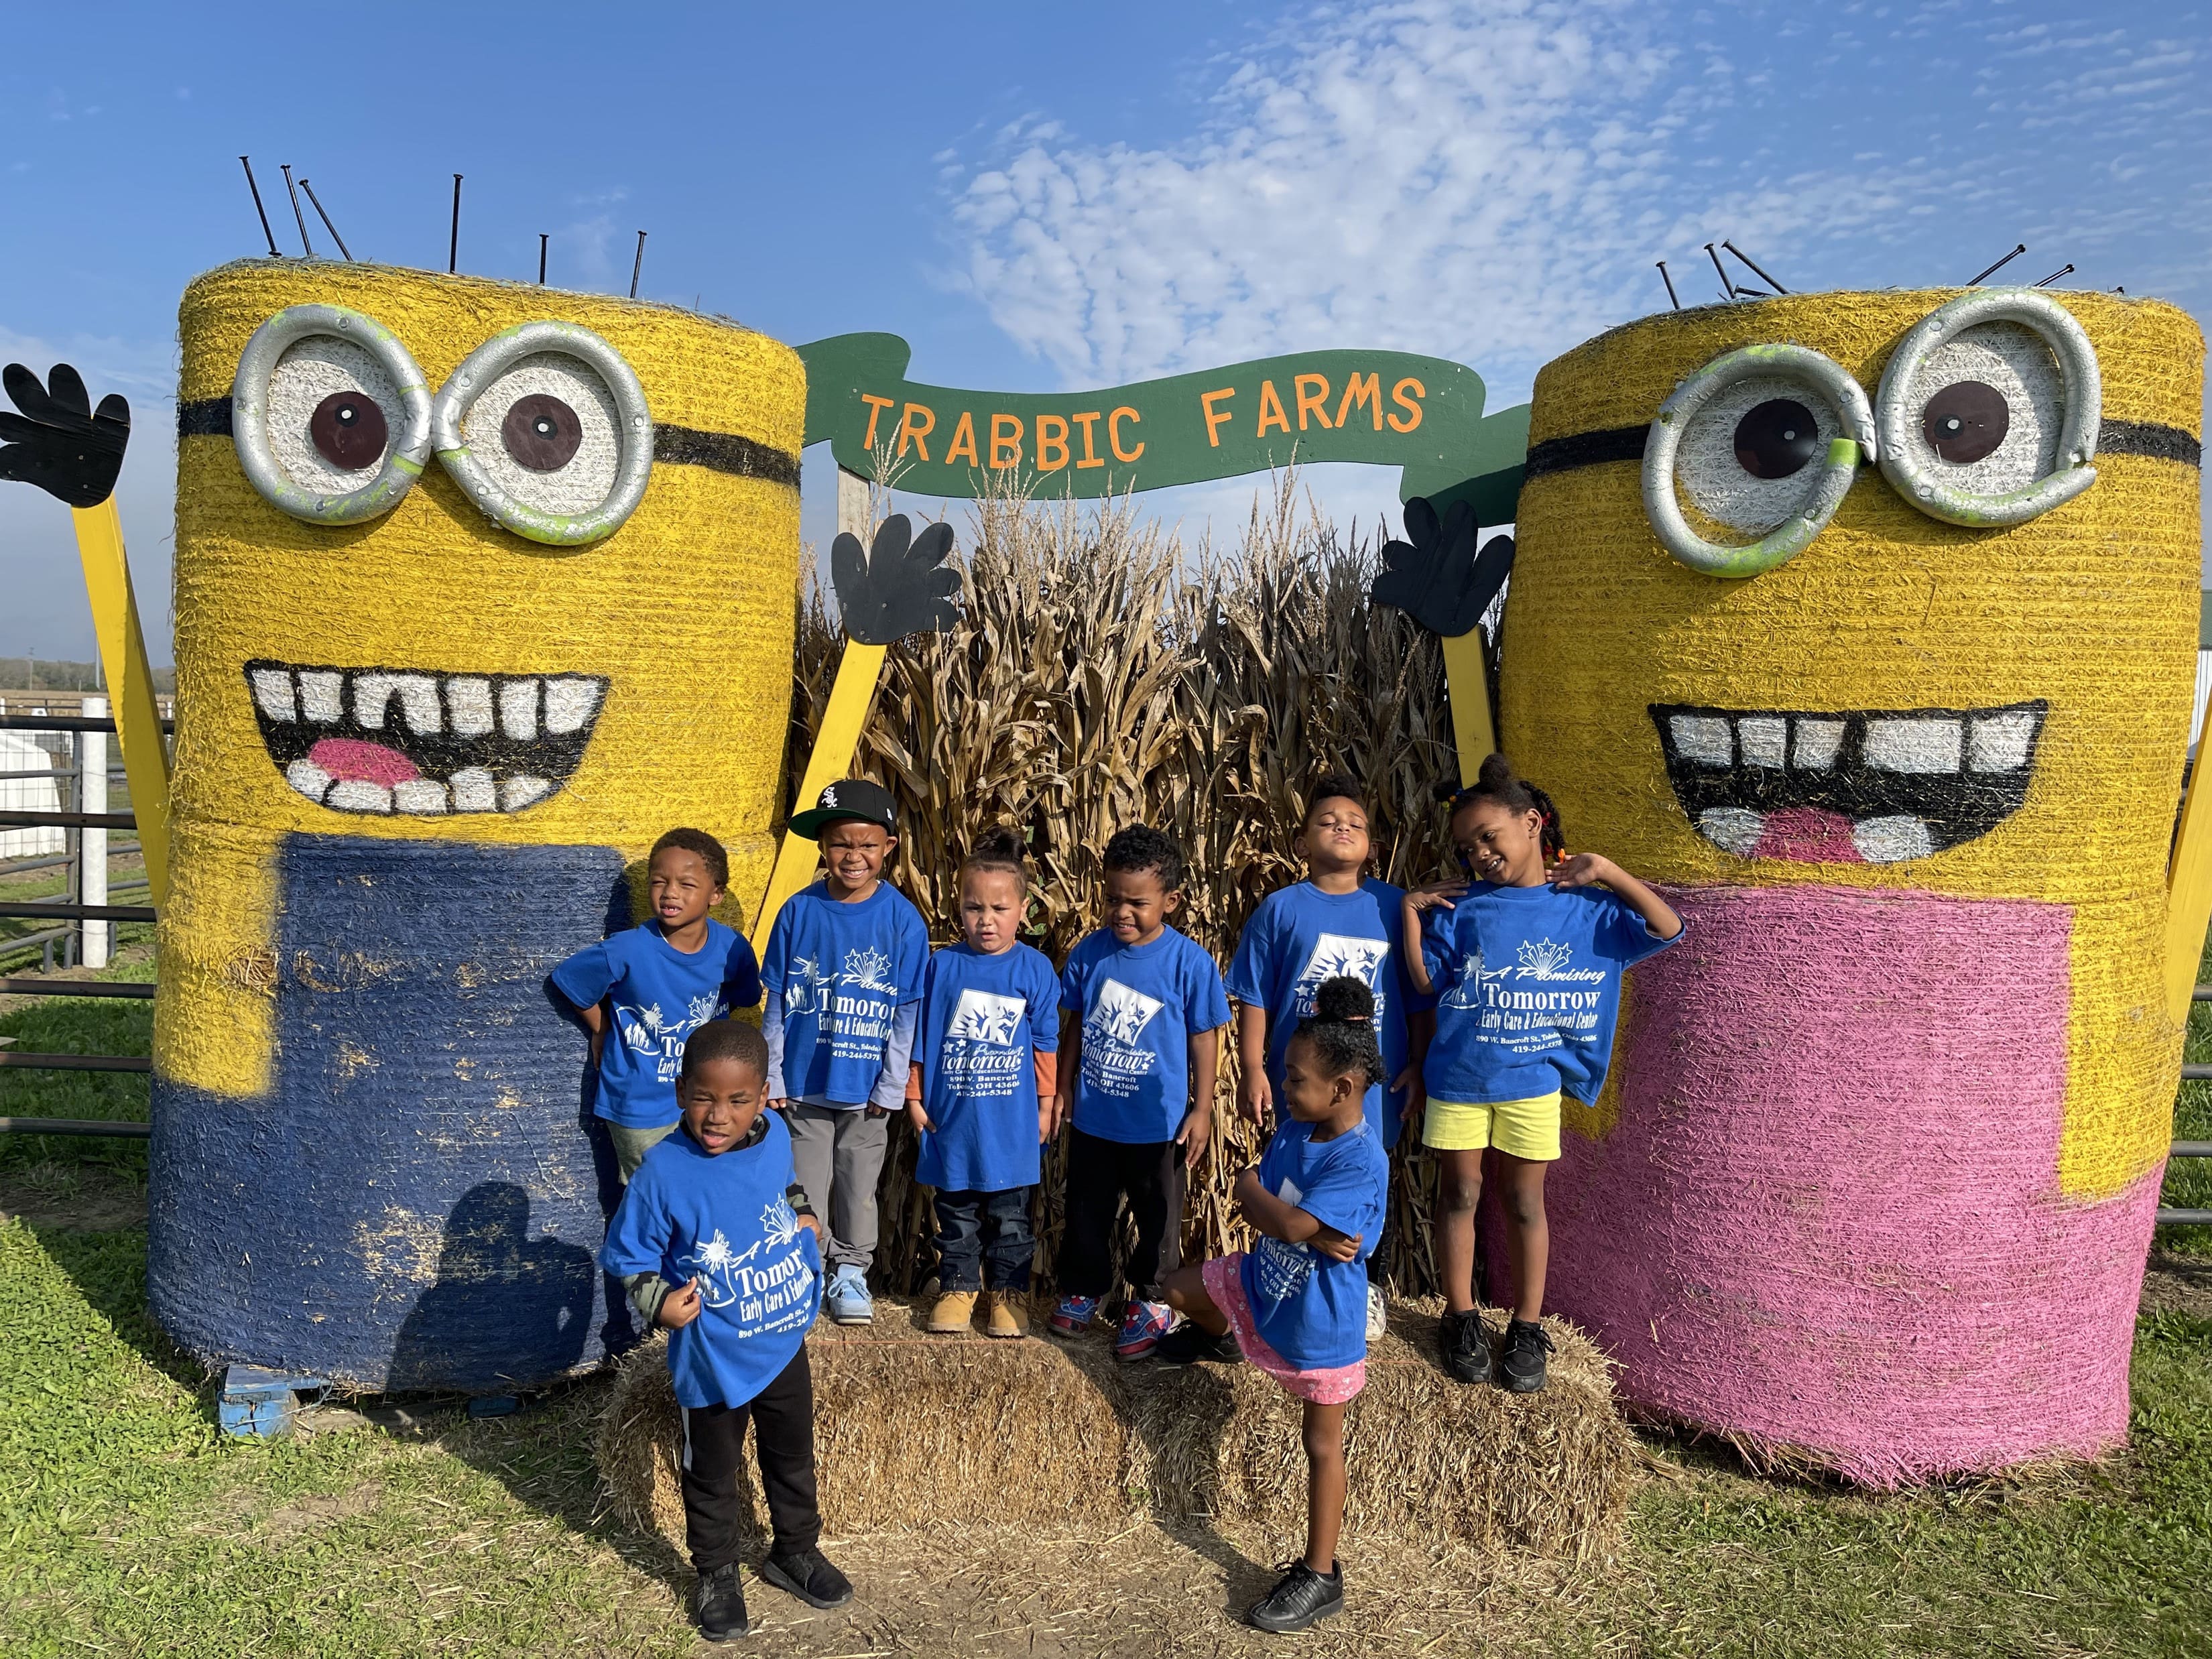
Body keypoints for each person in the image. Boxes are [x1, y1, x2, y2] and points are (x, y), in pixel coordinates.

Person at [1402, 752, 1682, 1392]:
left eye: (1488, 836)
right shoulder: (1461, 909)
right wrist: (1412, 914)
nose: (1478, 853)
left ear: (1532, 823)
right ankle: (1461, 1316)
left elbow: (1667, 927)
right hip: (1460, 1079)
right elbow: (1424, 985)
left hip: (1533, 1083)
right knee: (1460, 1195)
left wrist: (1607, 871)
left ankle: (1527, 1326)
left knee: (1526, 1201)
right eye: (1467, 845)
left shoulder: (1583, 909)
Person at [599, 1019, 852, 1642]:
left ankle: (794, 1550)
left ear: (764, 1096)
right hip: (713, 1357)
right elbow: (628, 1254)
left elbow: (784, 1183)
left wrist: (804, 1213)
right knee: (711, 1470)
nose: (719, 1115)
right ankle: (715, 1571)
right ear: (682, 1089)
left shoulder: (772, 1137)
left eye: (738, 1100)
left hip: (781, 1339)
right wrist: (659, 1303)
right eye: (705, 1097)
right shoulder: (663, 1171)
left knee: (791, 1454)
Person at [1153, 977, 1388, 1634]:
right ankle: (1221, 1336)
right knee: (1177, 1287)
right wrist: (1263, 1197)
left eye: (1294, 1080)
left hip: (1319, 1323)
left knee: (1321, 1445)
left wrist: (1260, 1197)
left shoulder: (1361, 1161)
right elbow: (1266, 1203)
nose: (1283, 1090)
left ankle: (1319, 1574)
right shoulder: (1298, 1127)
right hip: (1263, 1284)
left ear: (1341, 1089)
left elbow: (1280, 1221)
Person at [1226, 771, 1431, 1342]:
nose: (1342, 827)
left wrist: (1416, 1062)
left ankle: (1367, 1288)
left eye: (1355, 823)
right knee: (1296, 1171)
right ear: (1300, 843)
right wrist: (1250, 1070)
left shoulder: (1394, 907)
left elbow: (1417, 996)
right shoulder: (1280, 910)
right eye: (1327, 821)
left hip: (1370, 1090)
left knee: (1367, 1185)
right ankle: (1285, 1284)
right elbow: (1255, 997)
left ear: (1371, 845)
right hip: (1302, 1085)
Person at [1048, 824, 1231, 1360]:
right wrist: (1062, 1088)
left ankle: (1150, 1299)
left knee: (1158, 1218)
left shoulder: (1189, 963)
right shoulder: (1092, 954)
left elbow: (1205, 1036)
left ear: (1170, 901)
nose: (1121, 912)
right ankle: (1082, 1288)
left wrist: (1201, 1107)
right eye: (1111, 899)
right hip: (1095, 1121)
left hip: (1160, 1126)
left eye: (1137, 902)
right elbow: (1075, 1026)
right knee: (1086, 1211)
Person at [760, 779, 928, 1326]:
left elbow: (906, 1011)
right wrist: (774, 1073)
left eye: (866, 844)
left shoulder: (904, 921)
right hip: (805, 1086)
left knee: (858, 1186)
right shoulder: (798, 912)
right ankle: (805, 1273)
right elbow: (779, 1001)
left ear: (889, 847)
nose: (853, 856)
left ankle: (851, 1270)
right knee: (805, 1186)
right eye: (840, 843)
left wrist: (891, 1083)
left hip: (867, 1092)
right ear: (822, 847)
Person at [906, 826, 1060, 1338]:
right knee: (956, 1213)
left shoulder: (1035, 970)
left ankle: (1008, 1292)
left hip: (1010, 1125)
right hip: (953, 1121)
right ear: (959, 907)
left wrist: (1043, 1106)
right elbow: (921, 1036)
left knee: (1012, 1218)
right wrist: (914, 1094)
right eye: (975, 908)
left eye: (999, 909)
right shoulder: (942, 965)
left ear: (1022, 910)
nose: (986, 920)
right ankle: (957, 1286)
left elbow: (1044, 1044)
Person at [552, 827, 761, 1180]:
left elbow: (745, 997)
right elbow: (571, 981)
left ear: (717, 895)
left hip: (707, 1103)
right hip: (641, 1105)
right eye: (658, 881)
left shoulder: (732, 949)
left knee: (705, 1189)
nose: (670, 893)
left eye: (687, 884)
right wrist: (601, 1029)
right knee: (651, 1196)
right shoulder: (627, 949)